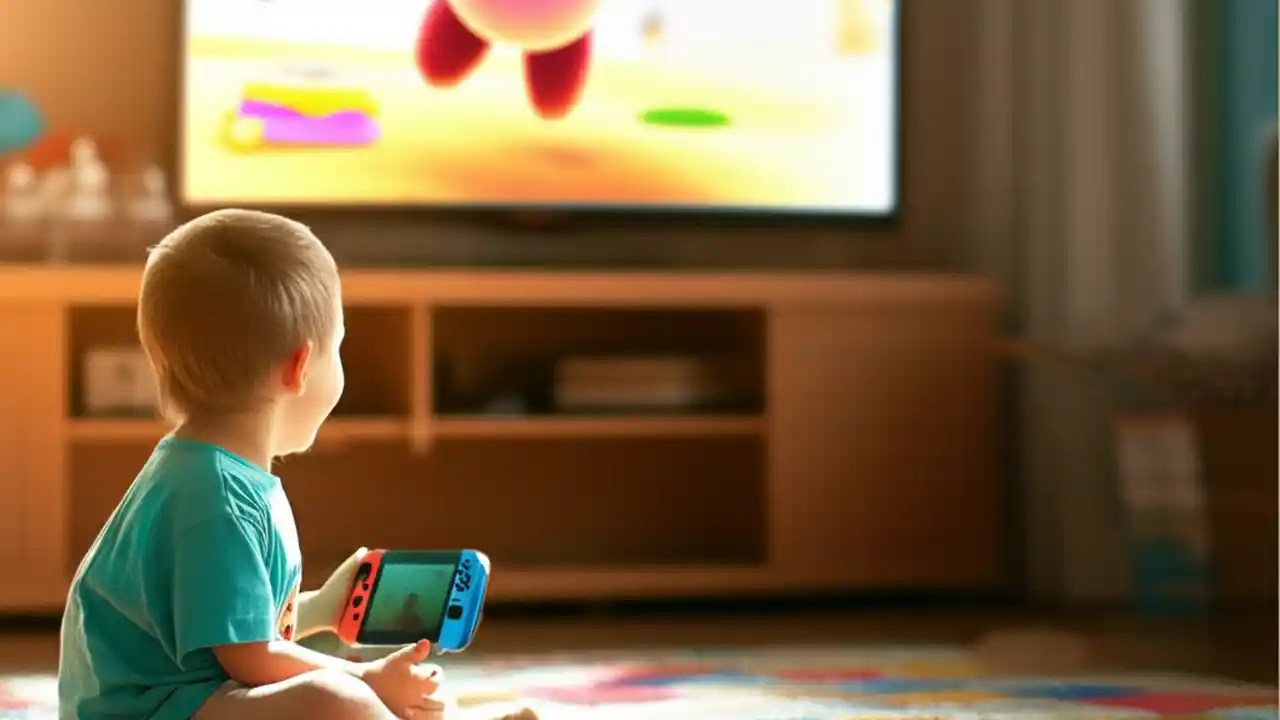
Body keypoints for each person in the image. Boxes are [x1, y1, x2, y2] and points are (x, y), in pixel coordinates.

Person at [57, 210, 533, 720]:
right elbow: (251, 658)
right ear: (300, 367)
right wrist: (364, 679)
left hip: (181, 701)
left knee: (352, 696)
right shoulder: (213, 499)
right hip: (153, 711)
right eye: (340, 347)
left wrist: (324, 608)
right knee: (338, 700)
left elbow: (227, 628)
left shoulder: (204, 473)